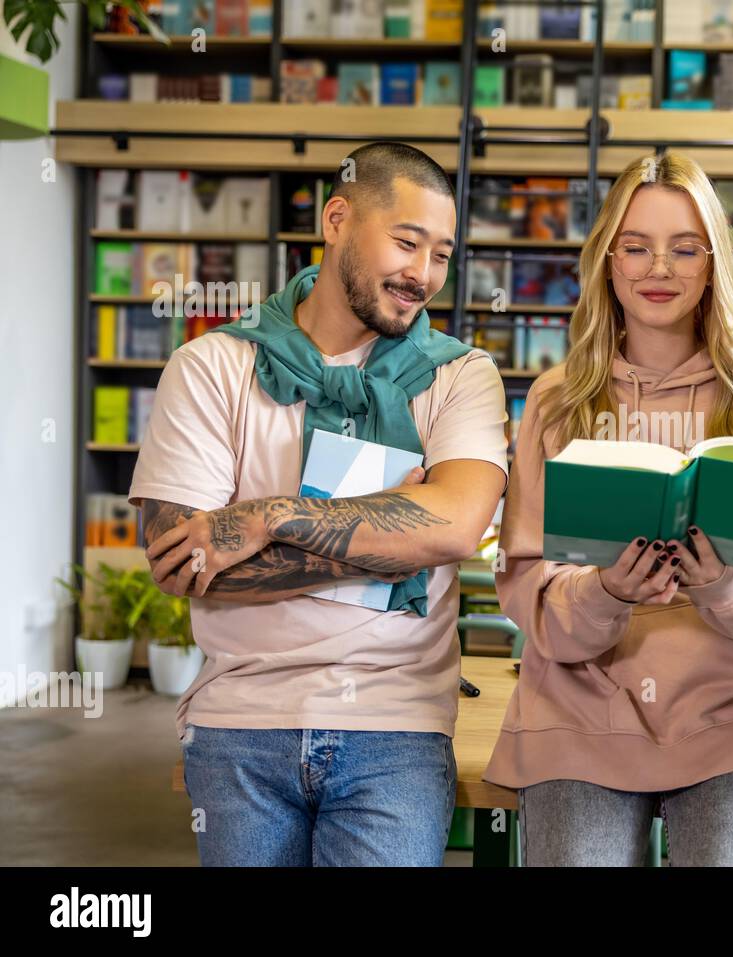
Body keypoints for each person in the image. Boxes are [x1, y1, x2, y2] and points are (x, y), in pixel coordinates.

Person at [130, 142, 508, 866]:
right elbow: (180, 561)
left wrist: (264, 517)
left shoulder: (461, 375)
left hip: (395, 722)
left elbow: (457, 524)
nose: (423, 275)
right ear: (337, 219)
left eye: (441, 254)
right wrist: (390, 538)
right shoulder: (214, 366)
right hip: (239, 719)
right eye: (406, 242)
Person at [483, 152, 733, 866]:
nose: (658, 268)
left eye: (684, 247)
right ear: (607, 261)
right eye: (634, 247)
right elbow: (524, 584)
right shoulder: (557, 398)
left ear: (712, 263)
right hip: (579, 709)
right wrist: (604, 593)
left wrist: (723, 586)